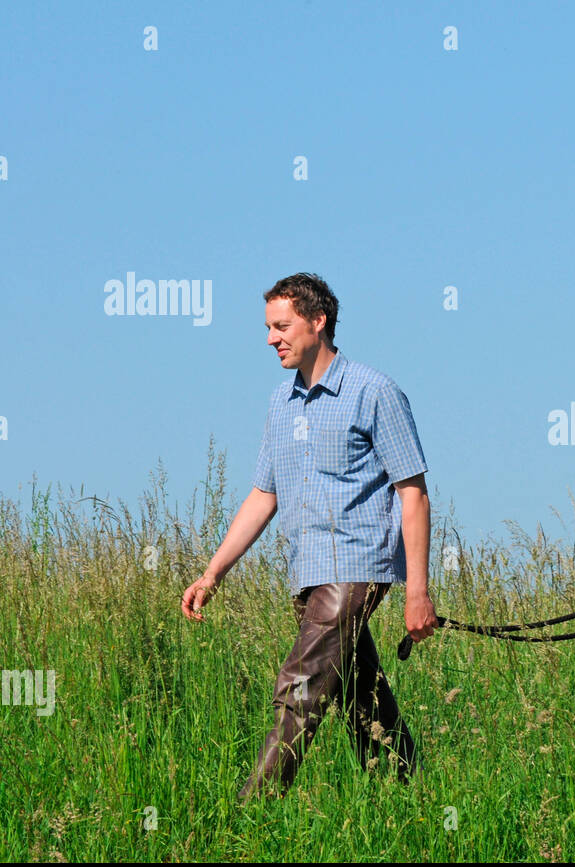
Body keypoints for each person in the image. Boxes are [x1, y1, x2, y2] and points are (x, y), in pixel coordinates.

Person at [180, 272, 437, 800]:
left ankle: (249, 814)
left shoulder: (373, 391)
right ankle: (407, 796)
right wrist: (212, 573)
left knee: (299, 689)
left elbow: (413, 492)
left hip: (355, 567)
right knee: (360, 696)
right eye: (268, 327)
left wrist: (417, 591)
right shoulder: (281, 402)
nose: (271, 338)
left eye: (282, 325)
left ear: (318, 322)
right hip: (309, 572)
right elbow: (263, 496)